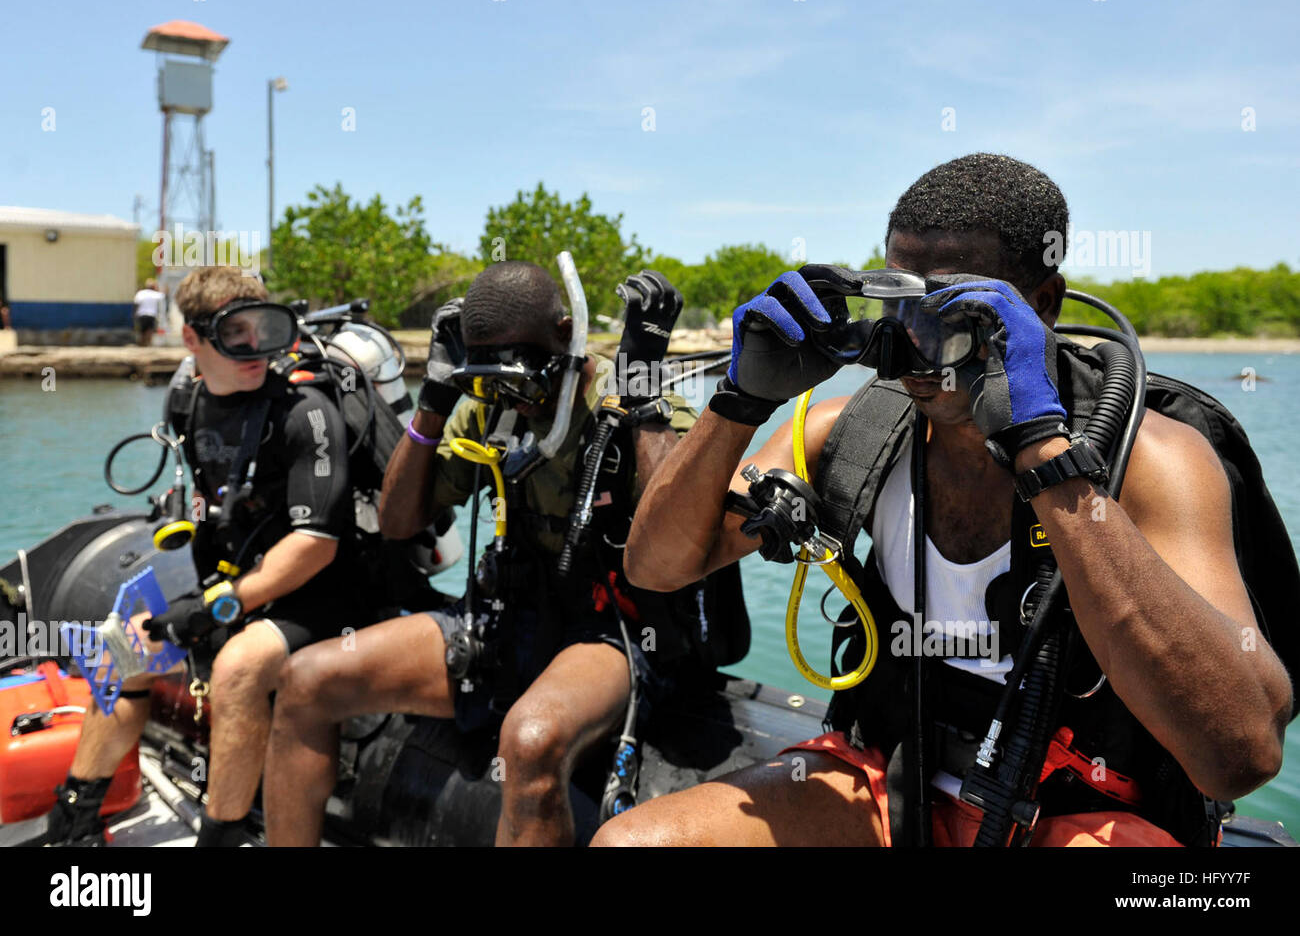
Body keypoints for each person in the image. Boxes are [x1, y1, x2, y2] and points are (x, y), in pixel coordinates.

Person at [593, 153, 1293, 848]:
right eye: (899, 309)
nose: (913, 348)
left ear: (1041, 305)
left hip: (1079, 805)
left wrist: (1044, 453)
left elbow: (1240, 757)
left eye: (948, 315)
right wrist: (740, 401)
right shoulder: (857, 429)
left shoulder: (1149, 458)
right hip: (892, 777)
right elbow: (657, 567)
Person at [263, 260, 698, 846]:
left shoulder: (630, 408)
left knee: (529, 739)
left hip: (611, 631)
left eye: (522, 371)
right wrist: (436, 399)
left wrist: (642, 393)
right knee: (307, 678)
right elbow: (398, 522)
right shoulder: (488, 404)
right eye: (489, 375)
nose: (510, 392)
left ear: (566, 332)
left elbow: (688, 540)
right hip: (507, 620)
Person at [28, 266, 373, 847]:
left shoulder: (305, 412)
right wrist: (196, 601)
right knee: (122, 643)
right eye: (235, 334)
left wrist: (220, 605)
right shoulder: (186, 401)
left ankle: (222, 835)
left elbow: (316, 545)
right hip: (230, 582)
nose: (255, 349)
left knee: (238, 669)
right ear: (192, 340)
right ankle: (76, 819)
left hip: (318, 593)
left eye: (266, 330)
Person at [133, 278, 166, 346]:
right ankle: (148, 343)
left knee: (142, 331)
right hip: (151, 315)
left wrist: (135, 314)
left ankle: (142, 344)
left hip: (142, 315)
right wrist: (158, 289)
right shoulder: (156, 294)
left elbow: (136, 303)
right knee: (150, 331)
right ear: (154, 287)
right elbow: (163, 296)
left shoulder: (140, 293)